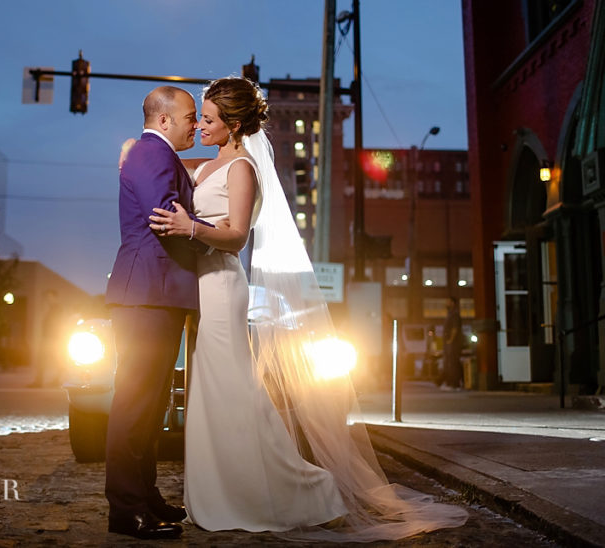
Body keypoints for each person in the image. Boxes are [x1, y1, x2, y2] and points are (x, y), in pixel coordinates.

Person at [149, 77, 468, 542]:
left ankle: (308, 490)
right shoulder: (210, 163)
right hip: (201, 292)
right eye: (199, 116)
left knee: (234, 394)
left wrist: (190, 228)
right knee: (211, 396)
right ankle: (218, 493)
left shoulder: (243, 169)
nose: (201, 125)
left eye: (210, 119)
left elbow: (237, 235)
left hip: (222, 286)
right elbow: (168, 162)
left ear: (234, 124)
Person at [104, 85, 212, 540]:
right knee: (134, 405)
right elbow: (165, 216)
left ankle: (145, 496)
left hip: (159, 293)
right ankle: (125, 509)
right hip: (147, 293)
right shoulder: (151, 154)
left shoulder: (155, 154)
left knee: (151, 406)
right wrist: (218, 235)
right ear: (164, 120)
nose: (196, 124)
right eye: (190, 116)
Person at [29, 289, 65, 388]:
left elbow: (57, 325)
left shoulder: (57, 310)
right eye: (47, 298)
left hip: (52, 339)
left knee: (46, 359)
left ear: (55, 297)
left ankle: (41, 381)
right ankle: (52, 380)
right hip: (50, 338)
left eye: (50, 297)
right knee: (54, 360)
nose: (48, 300)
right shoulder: (51, 309)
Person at [441, 296, 464, 391]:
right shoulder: (450, 314)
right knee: (449, 363)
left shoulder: (454, 315)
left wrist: (450, 340)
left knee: (453, 363)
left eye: (448, 301)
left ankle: (455, 384)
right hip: (449, 343)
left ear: (453, 303)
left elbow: (455, 328)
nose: (446, 303)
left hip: (453, 344)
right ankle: (451, 383)